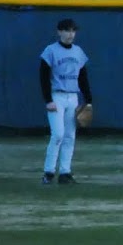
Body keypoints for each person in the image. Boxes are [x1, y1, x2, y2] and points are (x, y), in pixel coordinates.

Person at [39, 18, 93, 185]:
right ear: (59, 32)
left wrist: (88, 100)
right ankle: (48, 172)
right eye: (67, 30)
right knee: (58, 134)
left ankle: (65, 172)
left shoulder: (78, 52)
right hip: (57, 96)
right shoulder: (51, 50)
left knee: (70, 136)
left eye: (73, 31)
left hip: (72, 97)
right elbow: (43, 77)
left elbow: (83, 77)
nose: (71, 34)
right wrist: (48, 100)